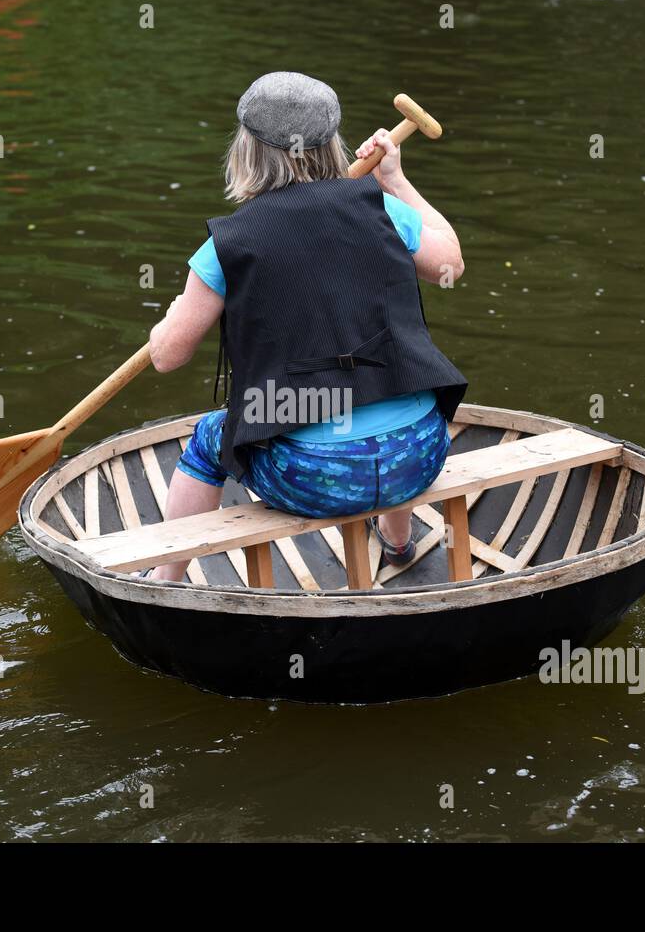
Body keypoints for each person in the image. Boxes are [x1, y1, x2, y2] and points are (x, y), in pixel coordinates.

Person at [146, 71, 467, 583]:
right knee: (386, 383)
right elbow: (451, 261)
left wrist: (167, 321)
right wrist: (397, 183)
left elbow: (167, 356)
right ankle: (399, 543)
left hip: (316, 480)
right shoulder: (383, 209)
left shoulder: (228, 245)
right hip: (421, 454)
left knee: (211, 436)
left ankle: (164, 580)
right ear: (332, 145)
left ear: (246, 150)